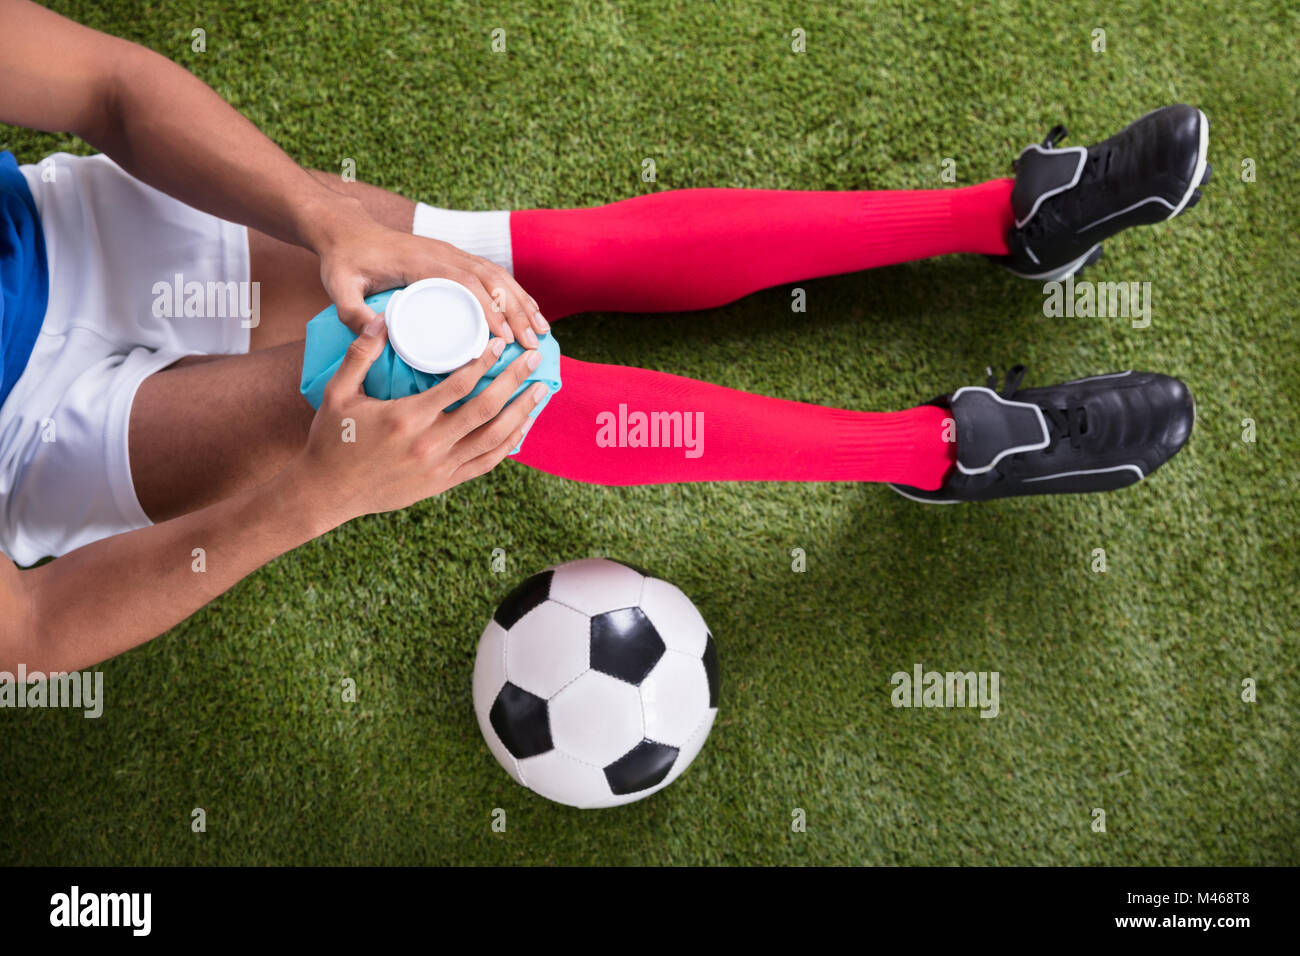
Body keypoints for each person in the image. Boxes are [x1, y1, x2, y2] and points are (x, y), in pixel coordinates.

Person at [0, 0, 1204, 672]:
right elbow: (33, 627)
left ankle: (1009, 218)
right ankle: (942, 451)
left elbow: (102, 84)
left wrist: (324, 219)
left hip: (67, 232)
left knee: (537, 260)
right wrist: (317, 496)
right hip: (31, 437)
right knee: (453, 363)